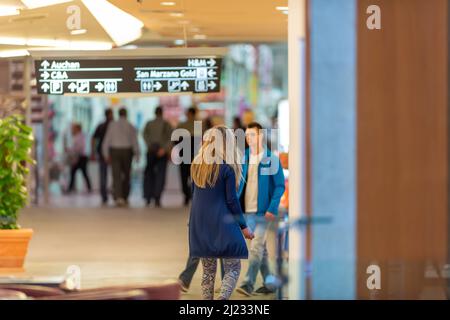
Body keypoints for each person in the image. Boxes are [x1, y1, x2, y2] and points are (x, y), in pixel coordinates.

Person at [189, 125, 254, 300]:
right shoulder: (226, 169)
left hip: (200, 223)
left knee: (208, 271)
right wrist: (244, 227)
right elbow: (232, 201)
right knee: (233, 267)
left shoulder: (196, 166)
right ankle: (222, 300)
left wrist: (192, 222)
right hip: (223, 222)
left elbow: (194, 197)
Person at [236, 122, 285, 296]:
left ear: (261, 136)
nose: (249, 139)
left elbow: (280, 186)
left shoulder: (271, 159)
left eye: (253, 135)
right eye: (247, 136)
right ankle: (270, 284)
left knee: (256, 247)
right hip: (247, 210)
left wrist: (272, 208)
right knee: (260, 249)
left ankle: (248, 283)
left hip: (264, 212)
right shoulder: (244, 157)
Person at [102, 108, 140, 207]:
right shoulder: (130, 125)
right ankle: (125, 196)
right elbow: (134, 141)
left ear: (118, 114)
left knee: (116, 175)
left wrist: (105, 154)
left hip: (114, 151)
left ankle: (118, 197)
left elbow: (107, 140)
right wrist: (137, 154)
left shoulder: (112, 125)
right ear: (126, 114)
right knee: (127, 174)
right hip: (127, 151)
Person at [142, 106, 173, 207]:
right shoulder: (166, 124)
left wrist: (149, 145)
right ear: (162, 113)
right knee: (161, 175)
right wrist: (164, 149)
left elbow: (144, 135)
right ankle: (157, 197)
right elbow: (171, 138)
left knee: (148, 174)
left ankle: (147, 197)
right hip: (162, 151)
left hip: (151, 150)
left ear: (155, 113)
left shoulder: (149, 123)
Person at [176, 107, 199, 206]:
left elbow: (176, 141)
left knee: (187, 176)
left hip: (188, 152)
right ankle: (190, 195)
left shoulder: (182, 125)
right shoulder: (198, 125)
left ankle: (189, 196)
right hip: (193, 153)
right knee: (192, 176)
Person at [91, 108, 114, 205]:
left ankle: (104, 196)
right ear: (110, 115)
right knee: (115, 175)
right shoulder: (114, 126)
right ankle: (115, 194)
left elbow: (93, 139)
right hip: (113, 153)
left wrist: (93, 151)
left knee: (103, 175)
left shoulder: (100, 126)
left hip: (101, 153)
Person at [66, 123, 92, 193]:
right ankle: (71, 188)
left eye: (74, 128)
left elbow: (79, 147)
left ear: (77, 129)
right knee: (76, 173)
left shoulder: (80, 136)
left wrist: (71, 150)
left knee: (81, 172)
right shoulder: (77, 136)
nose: (72, 129)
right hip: (79, 156)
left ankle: (70, 188)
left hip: (80, 157)